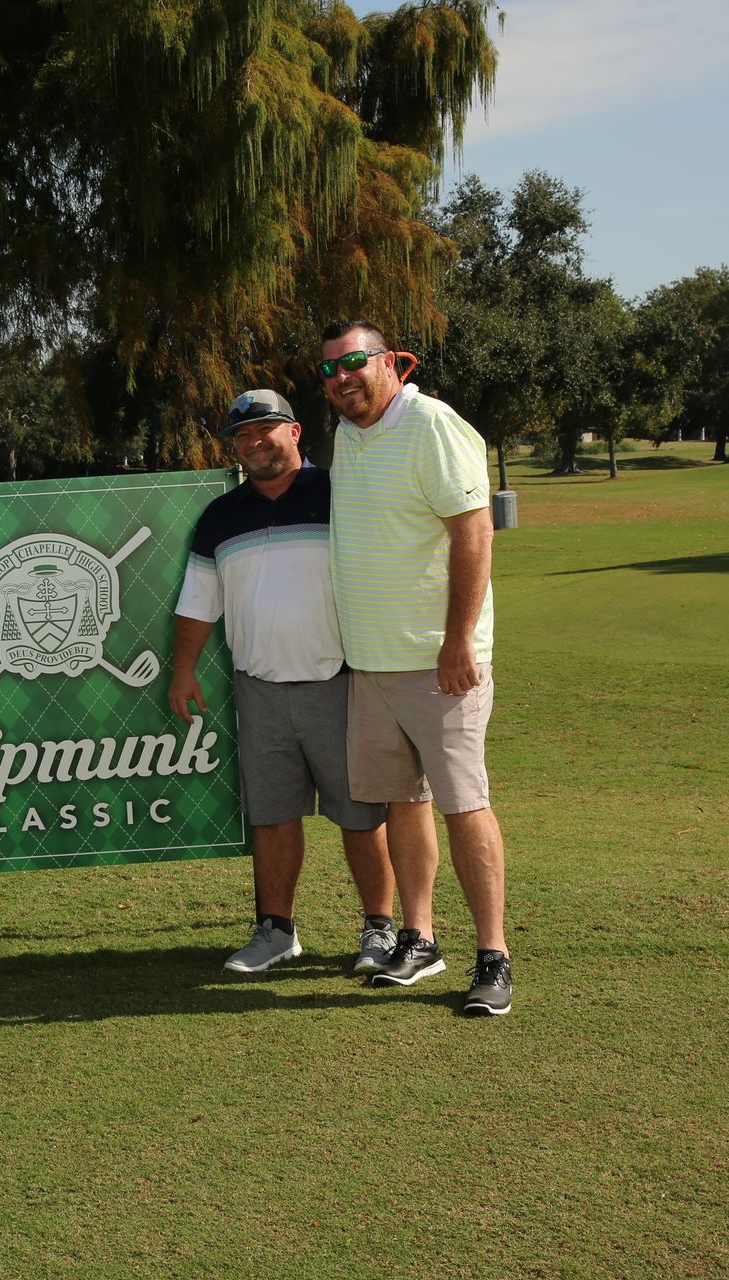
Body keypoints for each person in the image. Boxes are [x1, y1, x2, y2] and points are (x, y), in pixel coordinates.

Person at [320, 320, 515, 1016]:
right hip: (371, 662)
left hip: (440, 662)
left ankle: (492, 956)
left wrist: (459, 638)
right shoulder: (350, 435)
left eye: (354, 363)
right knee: (404, 803)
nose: (342, 379)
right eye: (329, 371)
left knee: (465, 805)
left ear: (393, 362)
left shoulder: (431, 423)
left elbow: (474, 528)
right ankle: (419, 937)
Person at [168, 389, 399, 975]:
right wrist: (183, 669)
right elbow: (199, 602)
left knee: (361, 815)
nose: (253, 443)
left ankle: (379, 929)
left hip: (343, 683)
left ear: (294, 433)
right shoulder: (221, 515)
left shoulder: (339, 493)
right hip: (260, 688)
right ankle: (276, 930)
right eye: (242, 437)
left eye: (265, 431)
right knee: (272, 815)